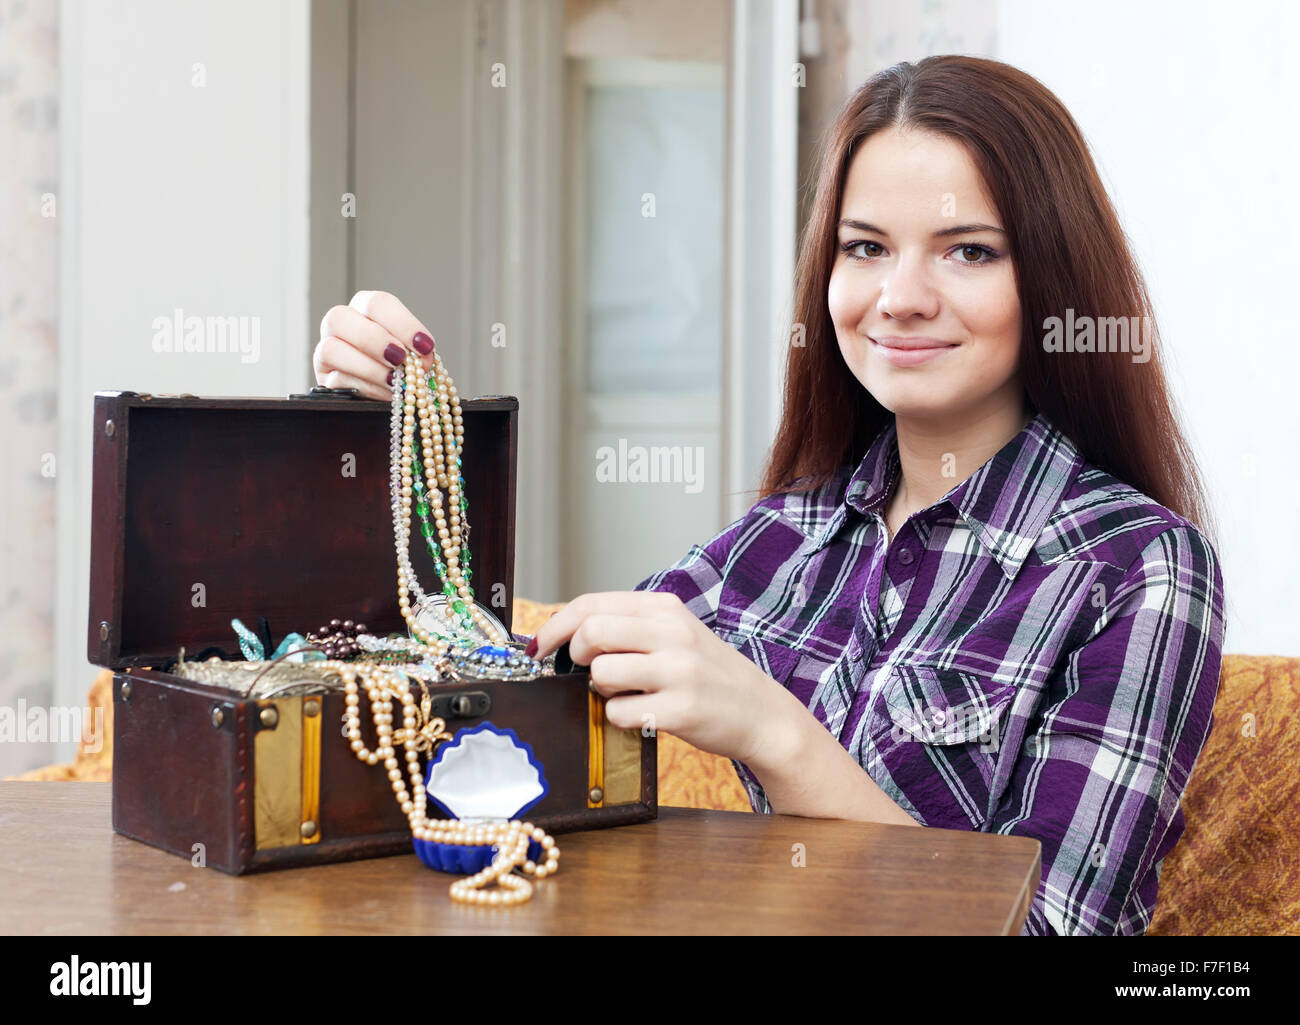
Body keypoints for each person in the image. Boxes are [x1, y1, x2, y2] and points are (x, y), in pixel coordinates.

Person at [314, 54, 1225, 936]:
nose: (898, 297)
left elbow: (1056, 931)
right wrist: (397, 430)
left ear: (1054, 278)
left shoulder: (1137, 567)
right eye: (865, 247)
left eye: (968, 251)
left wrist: (774, 732)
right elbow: (493, 681)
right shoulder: (788, 533)